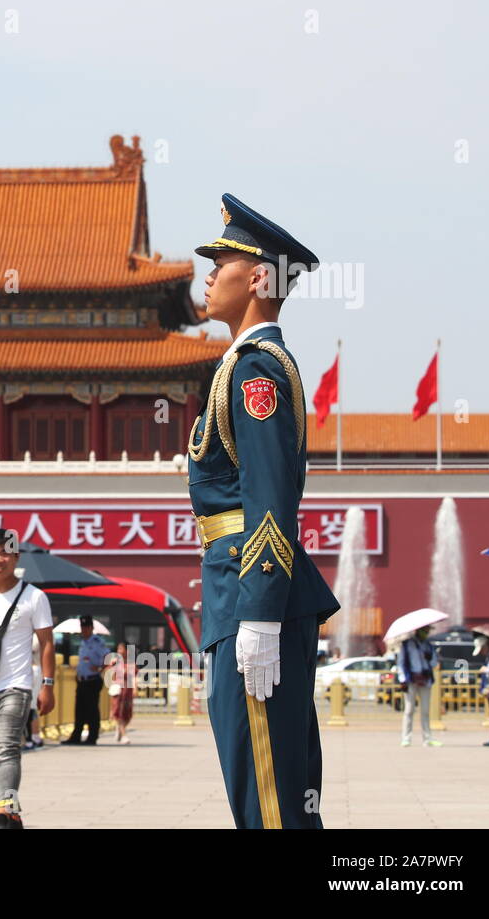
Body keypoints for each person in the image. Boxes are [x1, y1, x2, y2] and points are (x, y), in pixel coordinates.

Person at [185, 194, 340, 829]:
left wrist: (259, 613)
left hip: (249, 591)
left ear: (255, 278)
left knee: (268, 801)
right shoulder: (243, 366)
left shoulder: (256, 372)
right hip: (238, 588)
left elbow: (270, 499)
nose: (206, 274)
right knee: (273, 792)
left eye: (218, 262)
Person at [0, 529, 56, 828]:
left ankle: (2, 812)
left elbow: (46, 643)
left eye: (5, 553)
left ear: (16, 556)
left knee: (7, 748)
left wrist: (48, 686)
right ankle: (11, 811)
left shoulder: (34, 596)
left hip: (16, 686)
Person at [63, 616, 107, 745]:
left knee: (92, 710)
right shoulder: (82, 642)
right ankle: (76, 735)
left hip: (92, 680)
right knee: (79, 709)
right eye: (82, 627)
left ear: (91, 628)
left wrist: (100, 668)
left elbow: (108, 657)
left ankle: (92, 737)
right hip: (82, 680)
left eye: (86, 627)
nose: (84, 630)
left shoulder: (97, 642)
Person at [396, 626, 442, 747]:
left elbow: (434, 663)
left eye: (428, 631)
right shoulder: (406, 645)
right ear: (418, 630)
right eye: (425, 630)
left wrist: (430, 657)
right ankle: (406, 738)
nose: (426, 633)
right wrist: (402, 680)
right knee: (409, 709)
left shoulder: (428, 645)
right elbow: (400, 663)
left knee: (425, 710)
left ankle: (427, 739)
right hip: (411, 679)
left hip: (425, 679)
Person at [110, 641, 136, 745]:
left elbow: (133, 677)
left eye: (121, 649)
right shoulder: (114, 661)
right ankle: (124, 735)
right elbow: (110, 676)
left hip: (127, 690)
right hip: (118, 690)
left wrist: (135, 688)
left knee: (128, 714)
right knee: (119, 713)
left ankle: (120, 729)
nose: (119, 651)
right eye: (118, 649)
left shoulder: (131, 663)